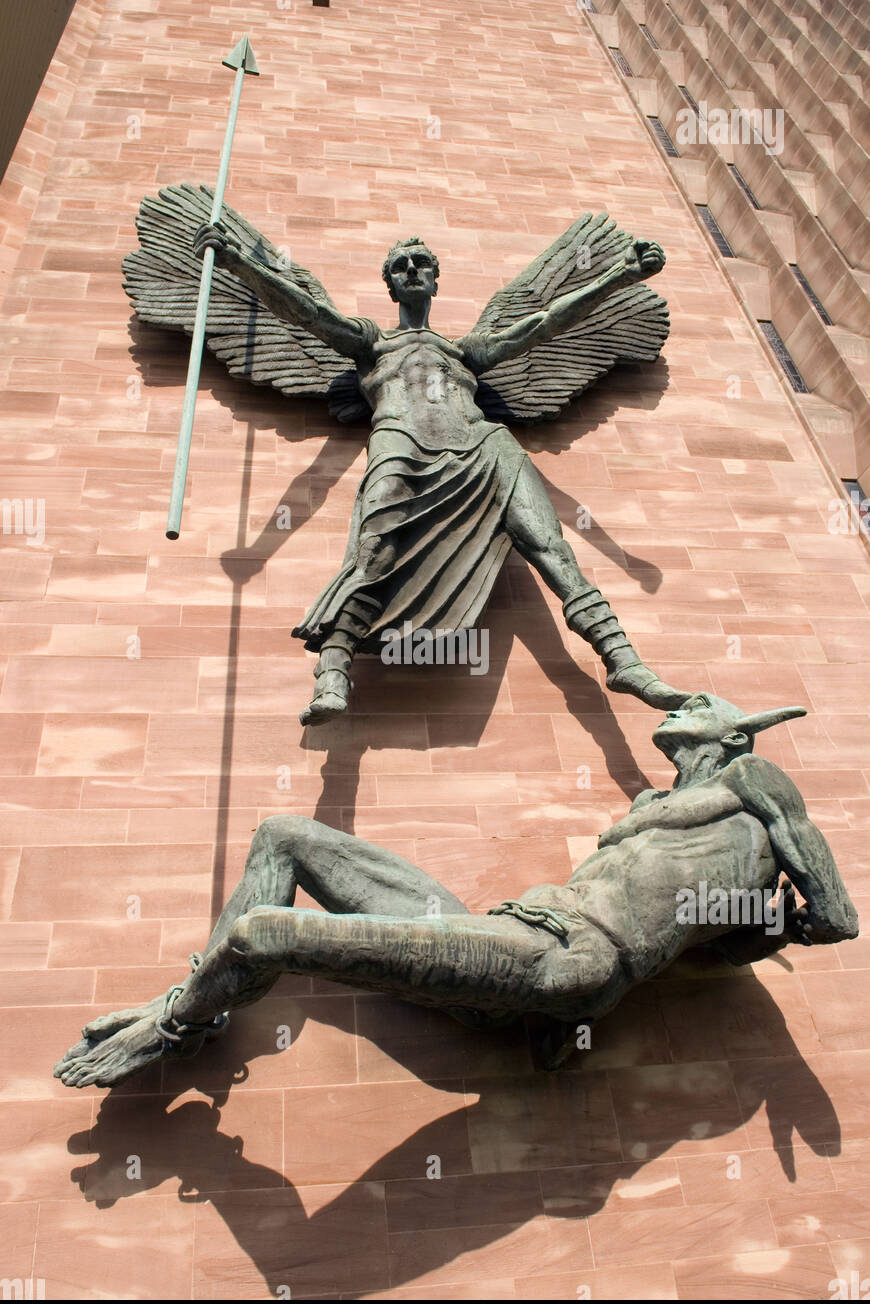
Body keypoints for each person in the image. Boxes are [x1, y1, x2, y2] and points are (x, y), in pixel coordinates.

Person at [54, 694, 857, 1089]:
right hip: (509, 938)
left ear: (735, 736)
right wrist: (767, 927)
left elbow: (834, 913)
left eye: (703, 705)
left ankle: (172, 1024)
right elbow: (719, 939)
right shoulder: (657, 810)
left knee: (267, 934)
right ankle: (206, 995)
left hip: (568, 958)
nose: (686, 704)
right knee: (284, 835)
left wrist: (804, 920)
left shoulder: (757, 780)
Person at [192, 222, 688, 724]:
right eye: (400, 267)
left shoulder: (464, 350)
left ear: (434, 280)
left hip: (485, 446)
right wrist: (240, 264)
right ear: (389, 285)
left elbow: (541, 324)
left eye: (421, 264)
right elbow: (310, 313)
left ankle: (622, 659)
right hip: (401, 446)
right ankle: (333, 671)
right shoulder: (372, 342)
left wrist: (619, 277)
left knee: (551, 545)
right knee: (373, 555)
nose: (411, 271)